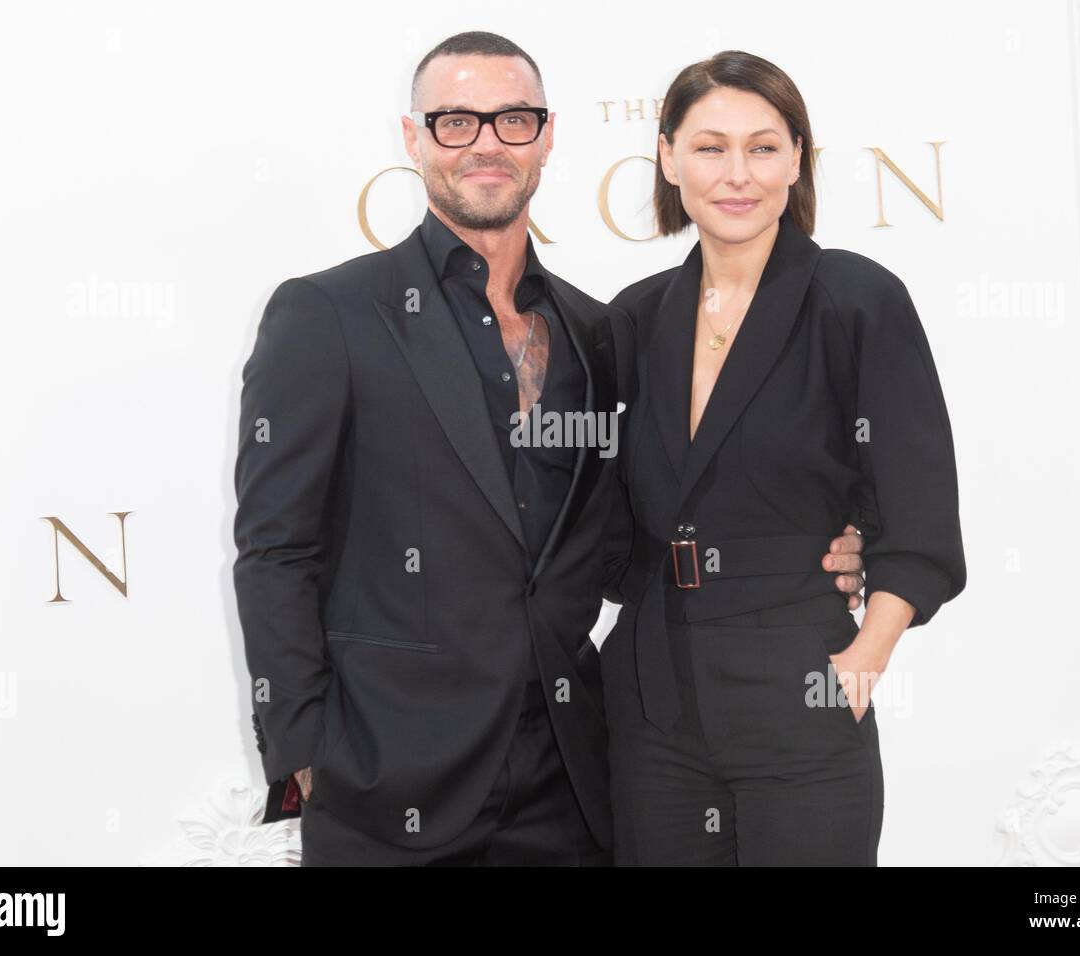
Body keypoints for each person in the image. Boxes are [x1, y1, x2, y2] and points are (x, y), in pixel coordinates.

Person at [233, 32, 866, 866]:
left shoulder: (598, 329)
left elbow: (621, 542)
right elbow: (276, 548)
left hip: (570, 776)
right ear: (414, 137)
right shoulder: (331, 315)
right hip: (388, 781)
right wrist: (306, 751)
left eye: (513, 119)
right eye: (456, 120)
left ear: (548, 135)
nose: (488, 142)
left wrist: (811, 553)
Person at [601, 50, 967, 866]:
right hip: (650, 703)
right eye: (709, 146)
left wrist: (861, 664)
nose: (738, 173)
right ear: (667, 156)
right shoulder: (633, 319)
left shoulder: (857, 299)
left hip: (803, 691)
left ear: (798, 158)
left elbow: (920, 511)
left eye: (764, 147)